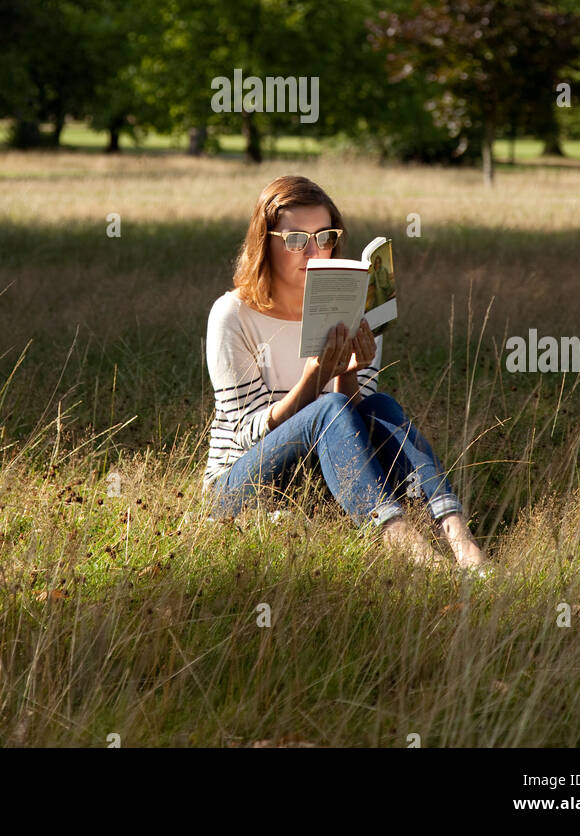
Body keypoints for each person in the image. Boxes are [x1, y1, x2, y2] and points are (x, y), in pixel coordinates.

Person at [202, 175, 489, 572]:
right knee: (328, 408)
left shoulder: (353, 302)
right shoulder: (233, 315)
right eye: (296, 240)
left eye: (325, 236)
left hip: (320, 480)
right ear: (265, 243)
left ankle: (463, 543)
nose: (314, 251)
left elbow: (353, 422)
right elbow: (245, 435)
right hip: (240, 485)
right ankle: (401, 541)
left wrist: (347, 373)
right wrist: (315, 376)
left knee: (379, 405)